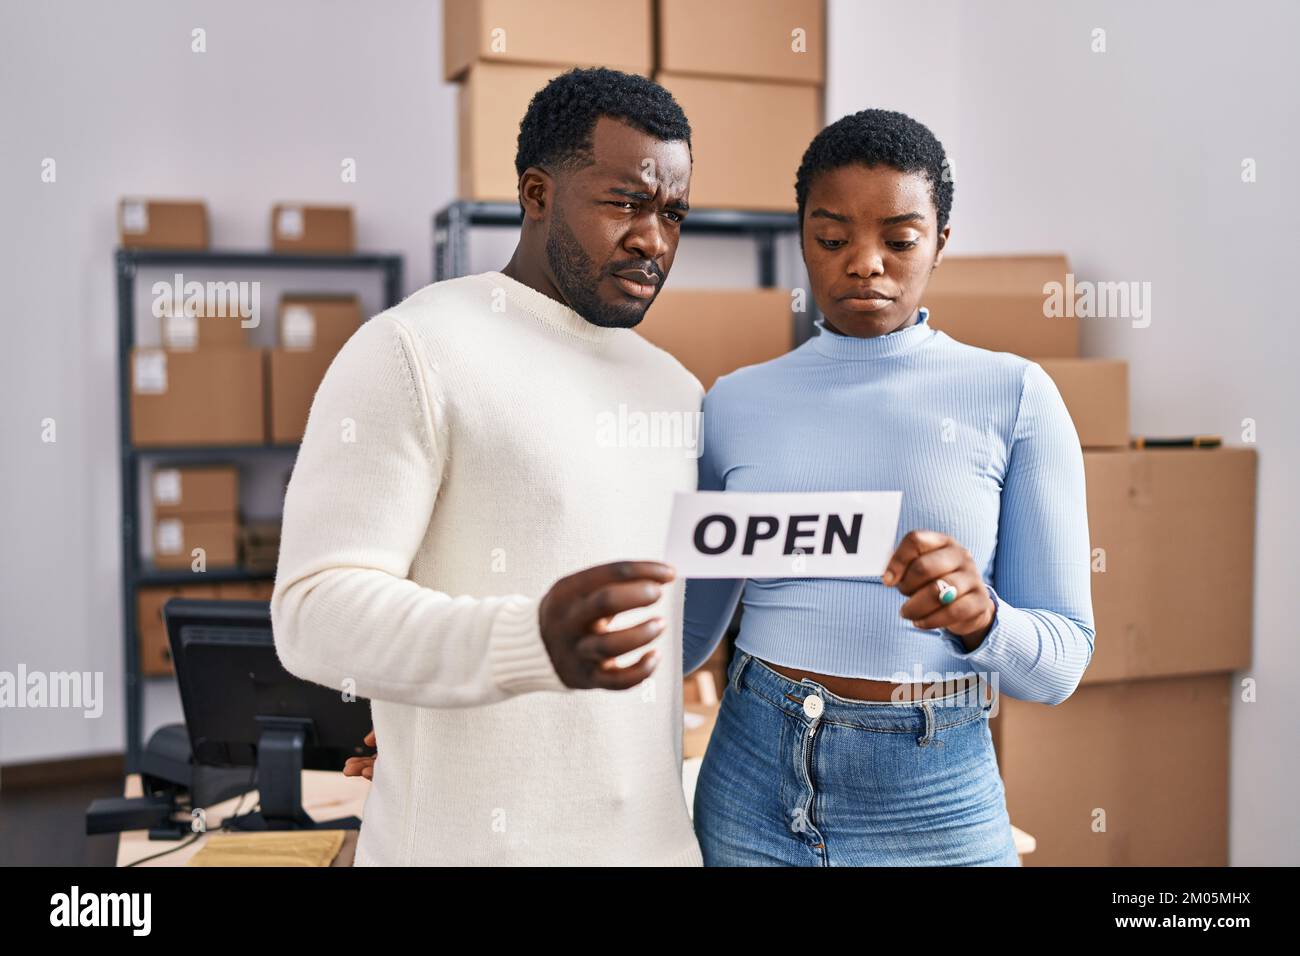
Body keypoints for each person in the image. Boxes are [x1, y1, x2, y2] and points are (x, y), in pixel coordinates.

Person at [273, 68, 704, 865]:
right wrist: (521, 642)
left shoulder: (675, 390)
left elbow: (669, 631)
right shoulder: (413, 351)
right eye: (625, 203)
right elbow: (312, 611)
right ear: (536, 194)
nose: (654, 239)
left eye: (672, 212)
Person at [683, 109, 1096, 866]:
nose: (865, 262)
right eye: (832, 238)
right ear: (803, 237)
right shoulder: (735, 402)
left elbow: (1061, 666)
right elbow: (685, 633)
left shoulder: (1014, 396)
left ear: (940, 242)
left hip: (934, 793)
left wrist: (983, 620)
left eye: (899, 240)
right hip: (748, 777)